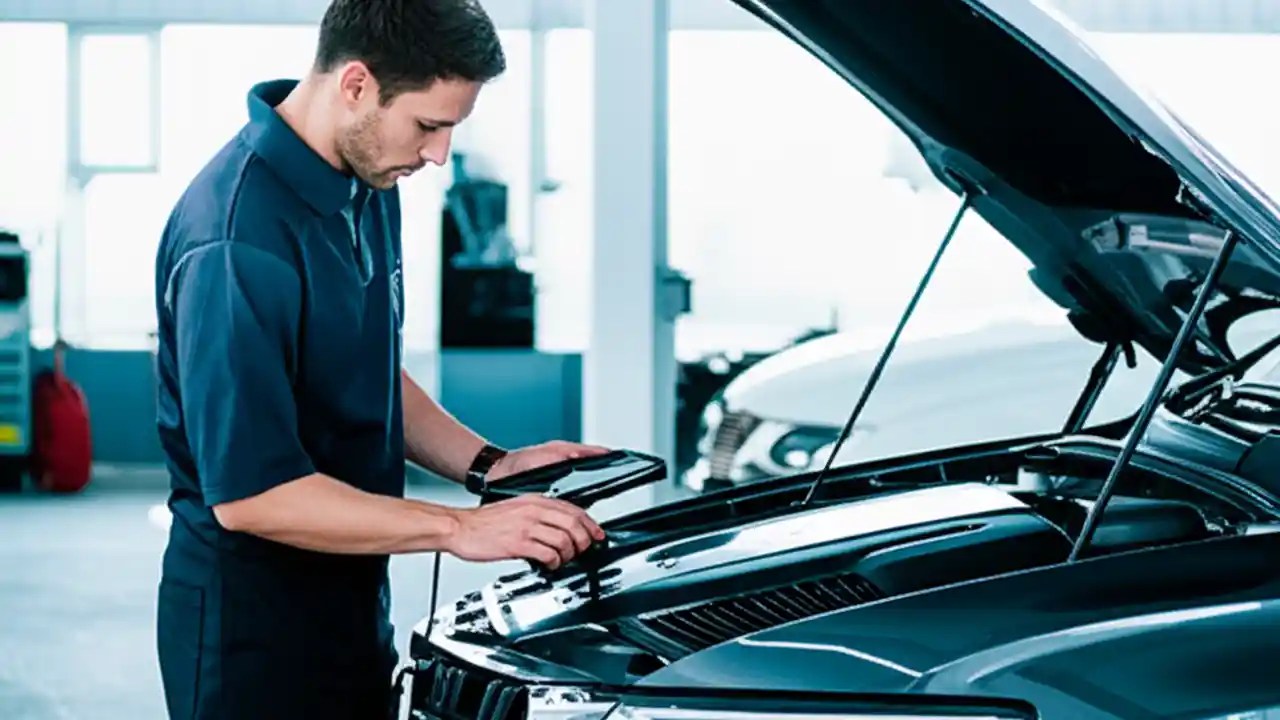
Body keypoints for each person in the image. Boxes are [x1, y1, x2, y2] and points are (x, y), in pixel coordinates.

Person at [152, 1, 606, 718]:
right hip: (253, 637)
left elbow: (366, 369)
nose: (439, 154)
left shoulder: (366, 181)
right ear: (357, 84)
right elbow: (250, 496)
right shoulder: (235, 242)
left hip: (353, 601)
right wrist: (459, 528)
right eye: (428, 125)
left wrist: (490, 466)